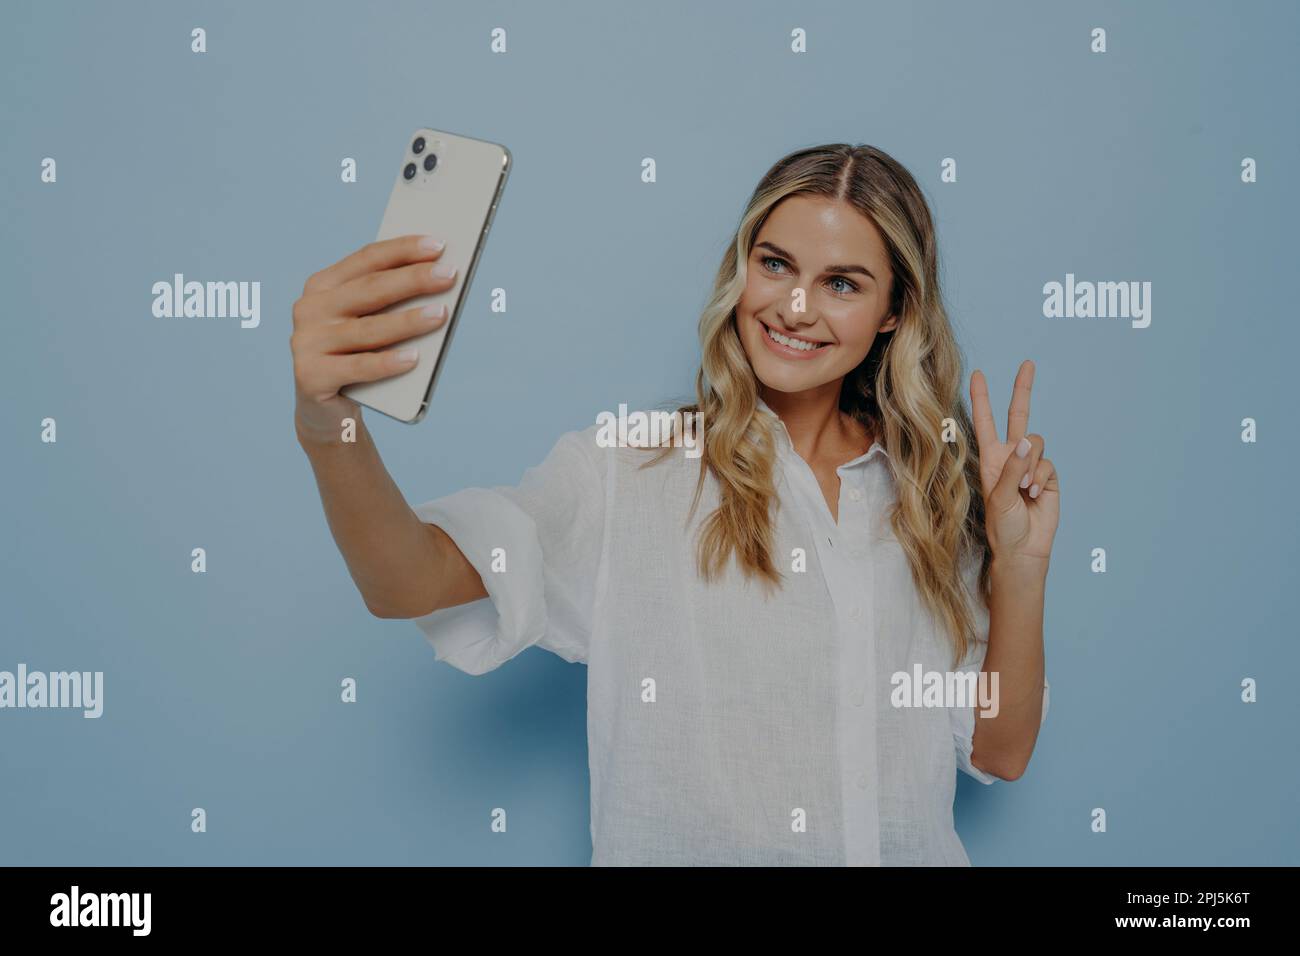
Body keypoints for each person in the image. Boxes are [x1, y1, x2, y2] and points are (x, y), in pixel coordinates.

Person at [292, 143, 1057, 866]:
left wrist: (1019, 565)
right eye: (776, 264)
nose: (795, 307)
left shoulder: (931, 497)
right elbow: (408, 582)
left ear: (895, 312)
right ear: (741, 270)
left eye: (842, 284)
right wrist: (330, 425)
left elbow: (999, 750)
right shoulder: (628, 470)